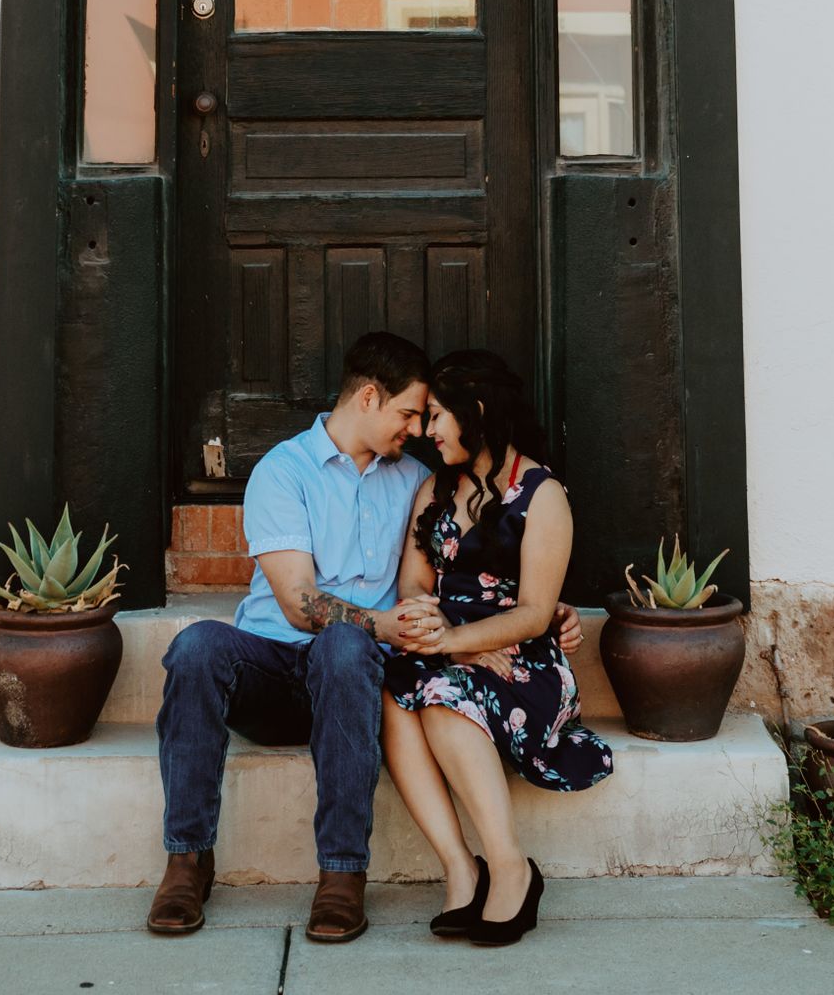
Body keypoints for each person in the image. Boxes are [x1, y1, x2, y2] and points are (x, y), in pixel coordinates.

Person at [148, 332, 582, 943]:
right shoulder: (284, 470)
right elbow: (299, 603)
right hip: (275, 671)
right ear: (370, 398)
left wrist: (538, 608)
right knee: (197, 647)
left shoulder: (414, 481)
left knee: (346, 647)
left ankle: (342, 876)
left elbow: (461, 563)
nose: (418, 429)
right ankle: (186, 861)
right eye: (409, 413)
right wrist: (391, 626)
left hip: (354, 679)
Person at [382, 350, 613, 947]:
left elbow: (536, 612)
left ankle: (511, 866)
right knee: (395, 692)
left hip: (523, 660)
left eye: (437, 416)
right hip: (448, 647)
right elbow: (413, 581)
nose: (427, 431)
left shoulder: (542, 494)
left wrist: (459, 642)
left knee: (434, 693)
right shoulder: (434, 487)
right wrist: (437, 631)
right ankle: (461, 867)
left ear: (476, 412)